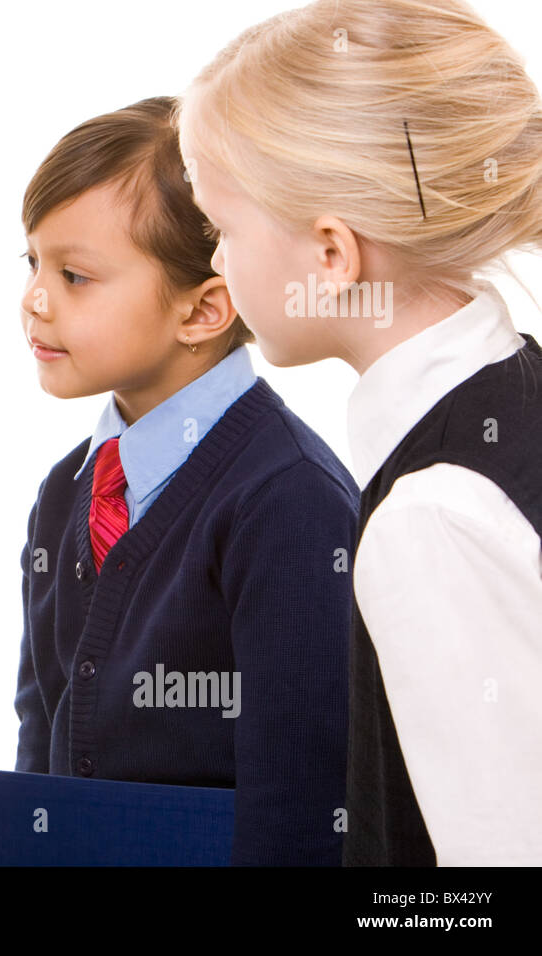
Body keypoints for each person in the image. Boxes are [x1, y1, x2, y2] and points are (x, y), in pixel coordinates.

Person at [177, 0, 542, 865]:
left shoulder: (430, 519)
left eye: (223, 229)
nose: (217, 261)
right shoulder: (516, 394)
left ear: (332, 255)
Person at [15, 97, 359, 865]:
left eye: (74, 275)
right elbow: (41, 749)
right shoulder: (63, 496)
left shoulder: (289, 502)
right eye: (31, 262)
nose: (35, 299)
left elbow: (304, 813)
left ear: (204, 311)